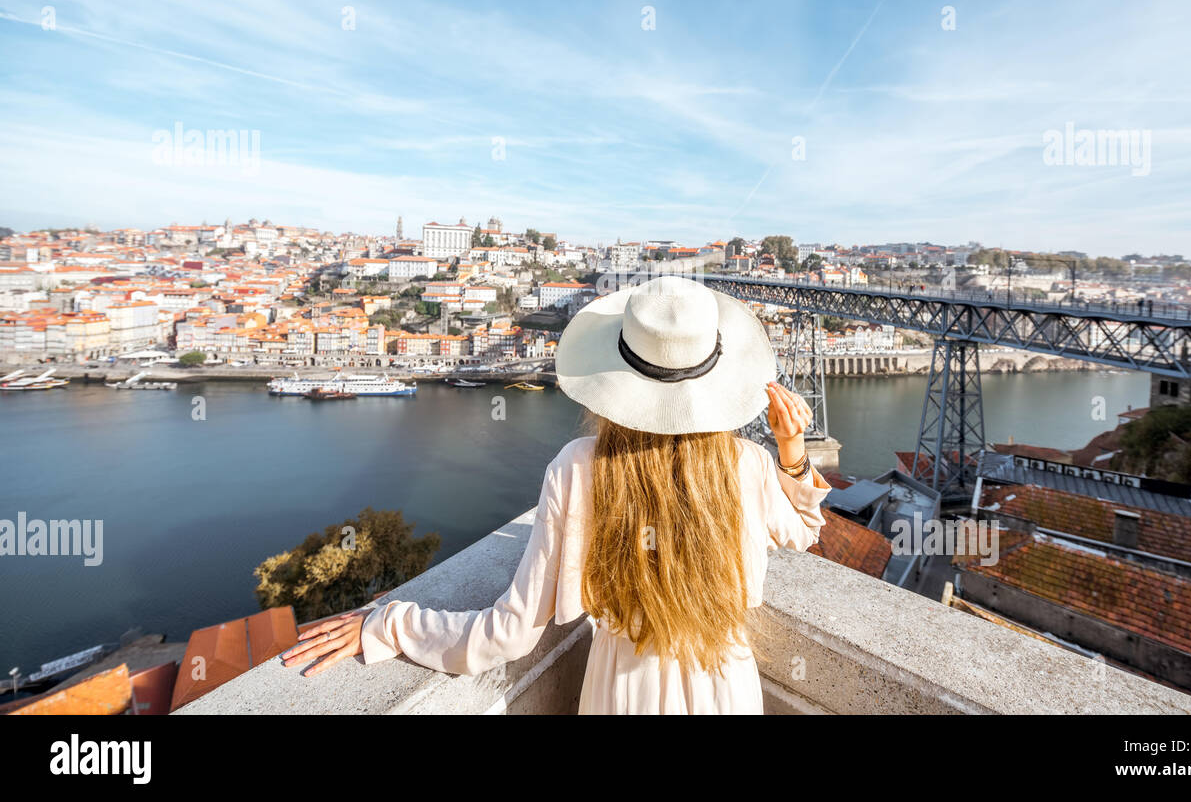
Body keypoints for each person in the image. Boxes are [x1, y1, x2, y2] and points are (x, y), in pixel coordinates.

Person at [281, 276, 832, 713]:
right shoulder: (749, 464)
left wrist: (386, 623)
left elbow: (508, 634)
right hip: (729, 691)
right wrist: (793, 452)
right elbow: (805, 532)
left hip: (623, 694)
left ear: (616, 376)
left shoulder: (578, 469)